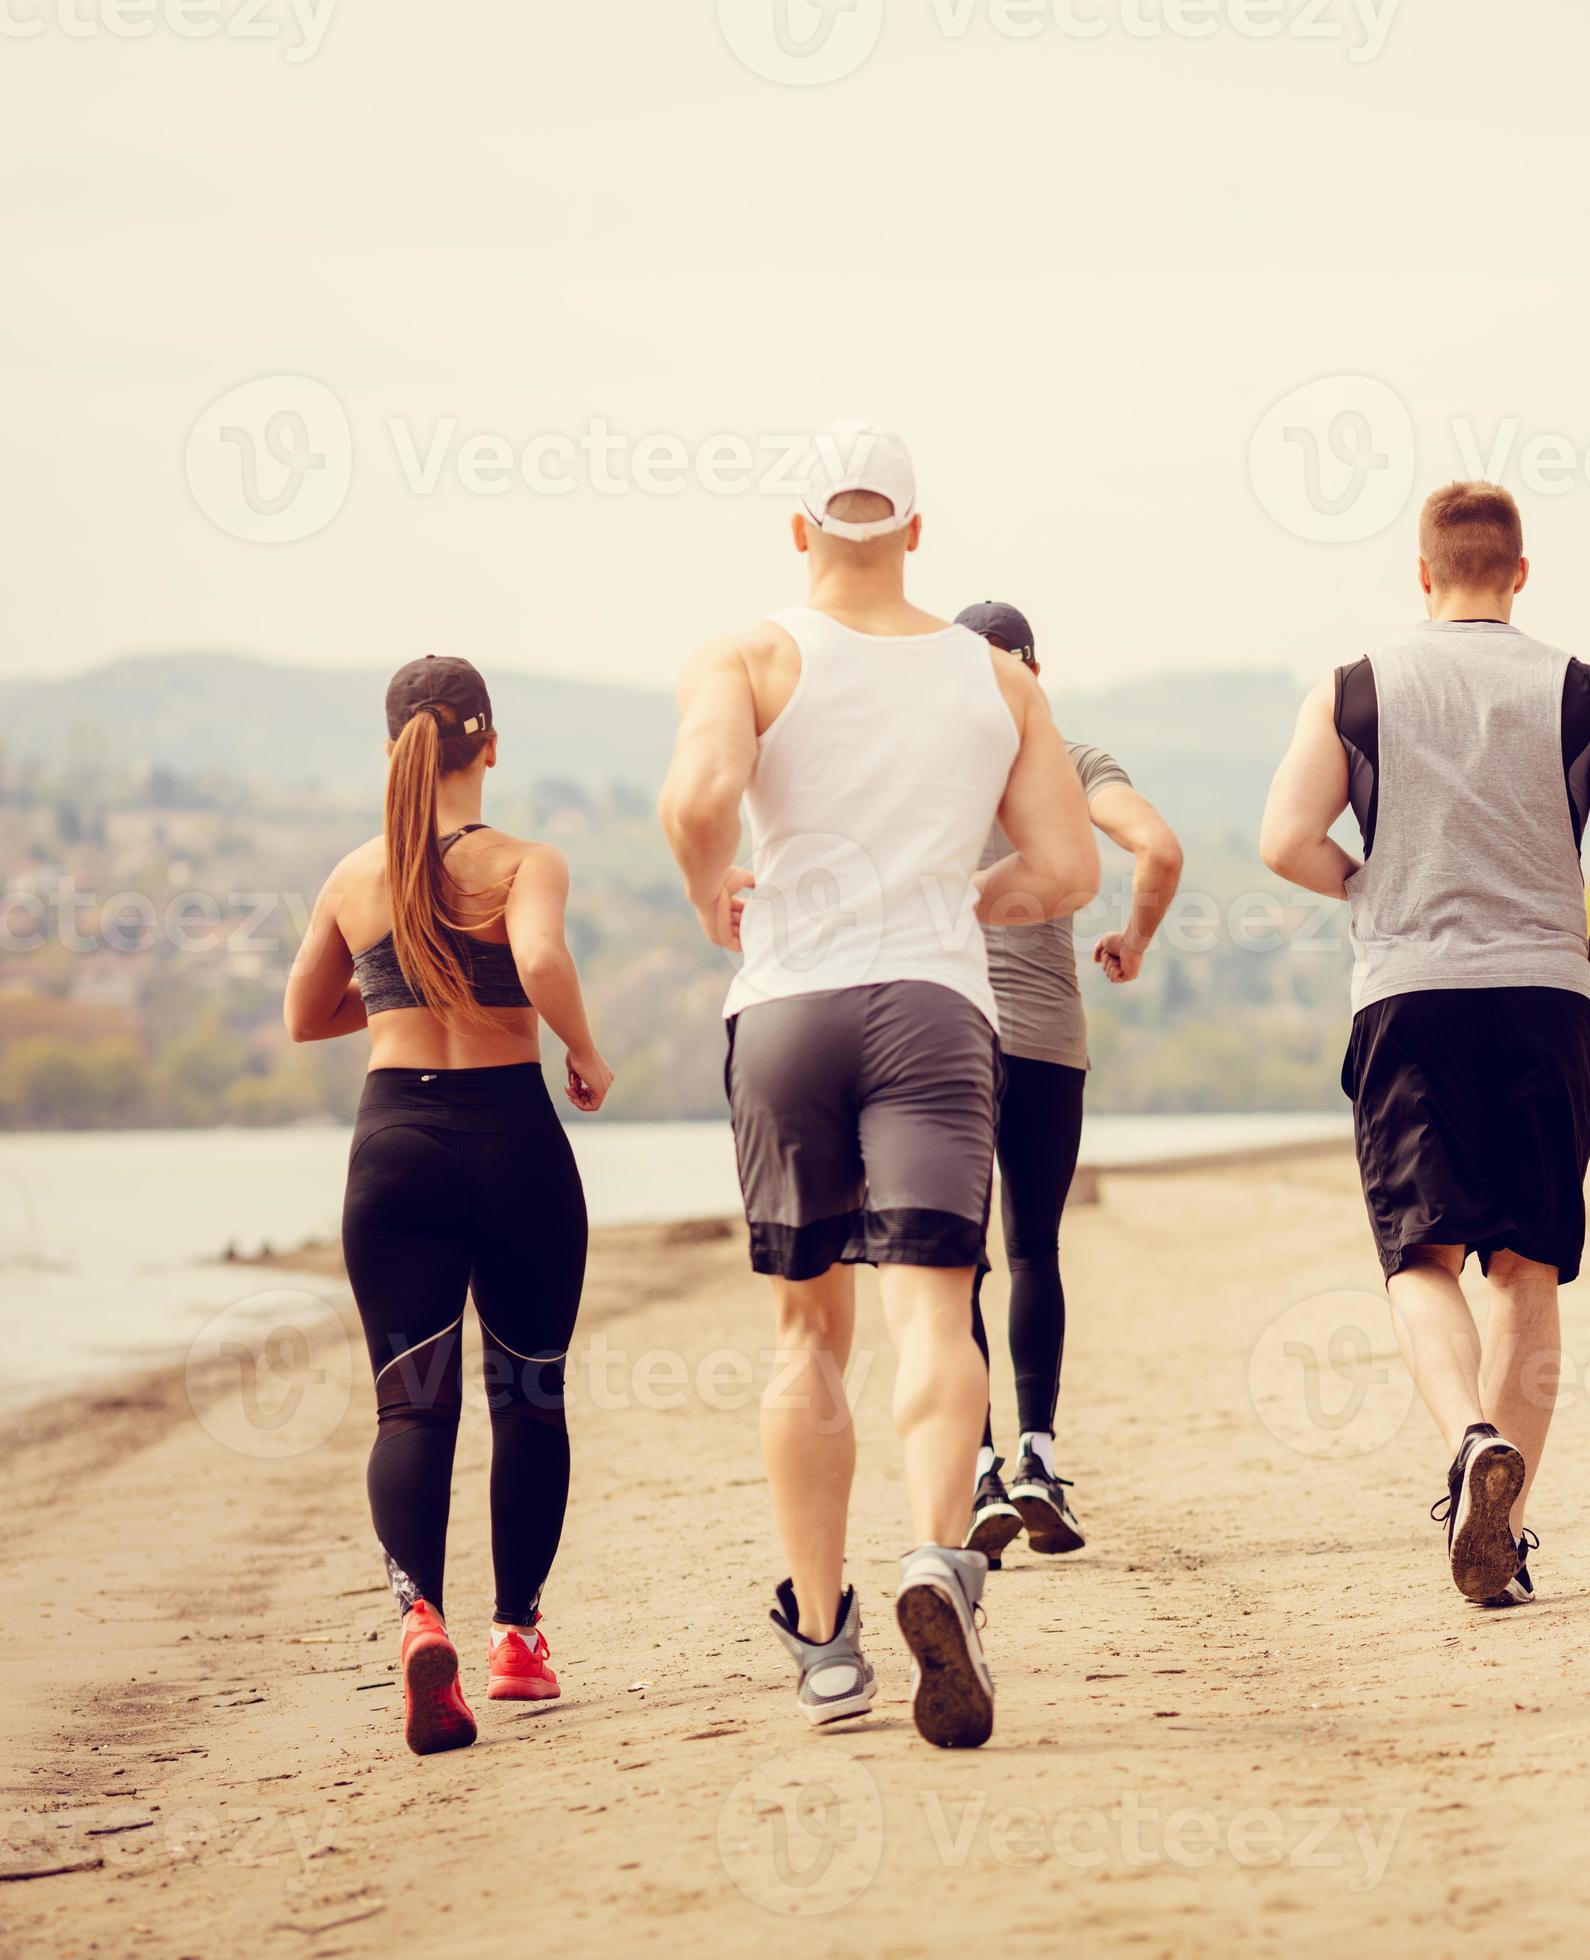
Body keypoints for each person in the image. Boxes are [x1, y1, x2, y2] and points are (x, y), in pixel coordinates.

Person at [658, 423, 1098, 1747]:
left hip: (786, 1006)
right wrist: (968, 896)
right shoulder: (995, 679)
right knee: (936, 1313)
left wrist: (708, 891)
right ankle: (936, 1559)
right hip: (934, 1009)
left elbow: (700, 799)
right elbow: (1069, 869)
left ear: (800, 534)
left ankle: (829, 1645)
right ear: (916, 533)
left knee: (807, 1336)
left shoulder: (747, 653)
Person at [1260, 481, 1590, 1610]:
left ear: (1423, 573)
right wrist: (1586, 969)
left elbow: (1281, 837)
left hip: (1409, 998)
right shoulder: (1585, 690)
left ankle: (1468, 1437)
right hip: (1544, 998)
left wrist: (1366, 884)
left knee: (1419, 1258)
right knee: (1526, 1272)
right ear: (1521, 573)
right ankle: (1512, 1526)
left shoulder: (1354, 689)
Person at [284, 656, 614, 1754]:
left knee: (410, 1406)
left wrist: (398, 994)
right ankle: (518, 1640)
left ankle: (420, 1618)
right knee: (528, 1394)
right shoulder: (527, 861)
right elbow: (541, 956)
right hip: (511, 1137)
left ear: (395, 752)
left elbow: (302, 1013)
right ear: (492, 745)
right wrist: (584, 1046)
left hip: (396, 1150)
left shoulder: (354, 877)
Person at [949, 599, 1186, 1565]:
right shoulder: (1078, 764)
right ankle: (1041, 1458)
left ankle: (978, 1470)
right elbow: (1160, 850)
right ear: (1035, 674)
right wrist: (1131, 941)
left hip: (945, 1038)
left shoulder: (927, 772)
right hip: (1047, 1041)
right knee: (1035, 1246)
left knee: (951, 1267)